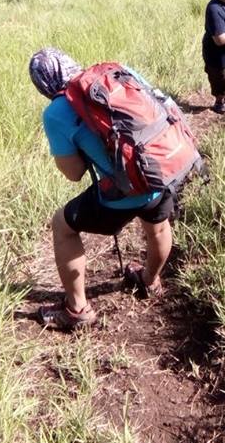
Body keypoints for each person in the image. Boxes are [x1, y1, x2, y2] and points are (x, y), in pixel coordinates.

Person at [29, 48, 175, 329]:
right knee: (157, 225)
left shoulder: (57, 112)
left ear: (43, 84)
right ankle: (149, 281)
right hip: (163, 168)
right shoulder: (119, 72)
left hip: (125, 192)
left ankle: (76, 310)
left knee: (62, 225)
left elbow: (73, 173)